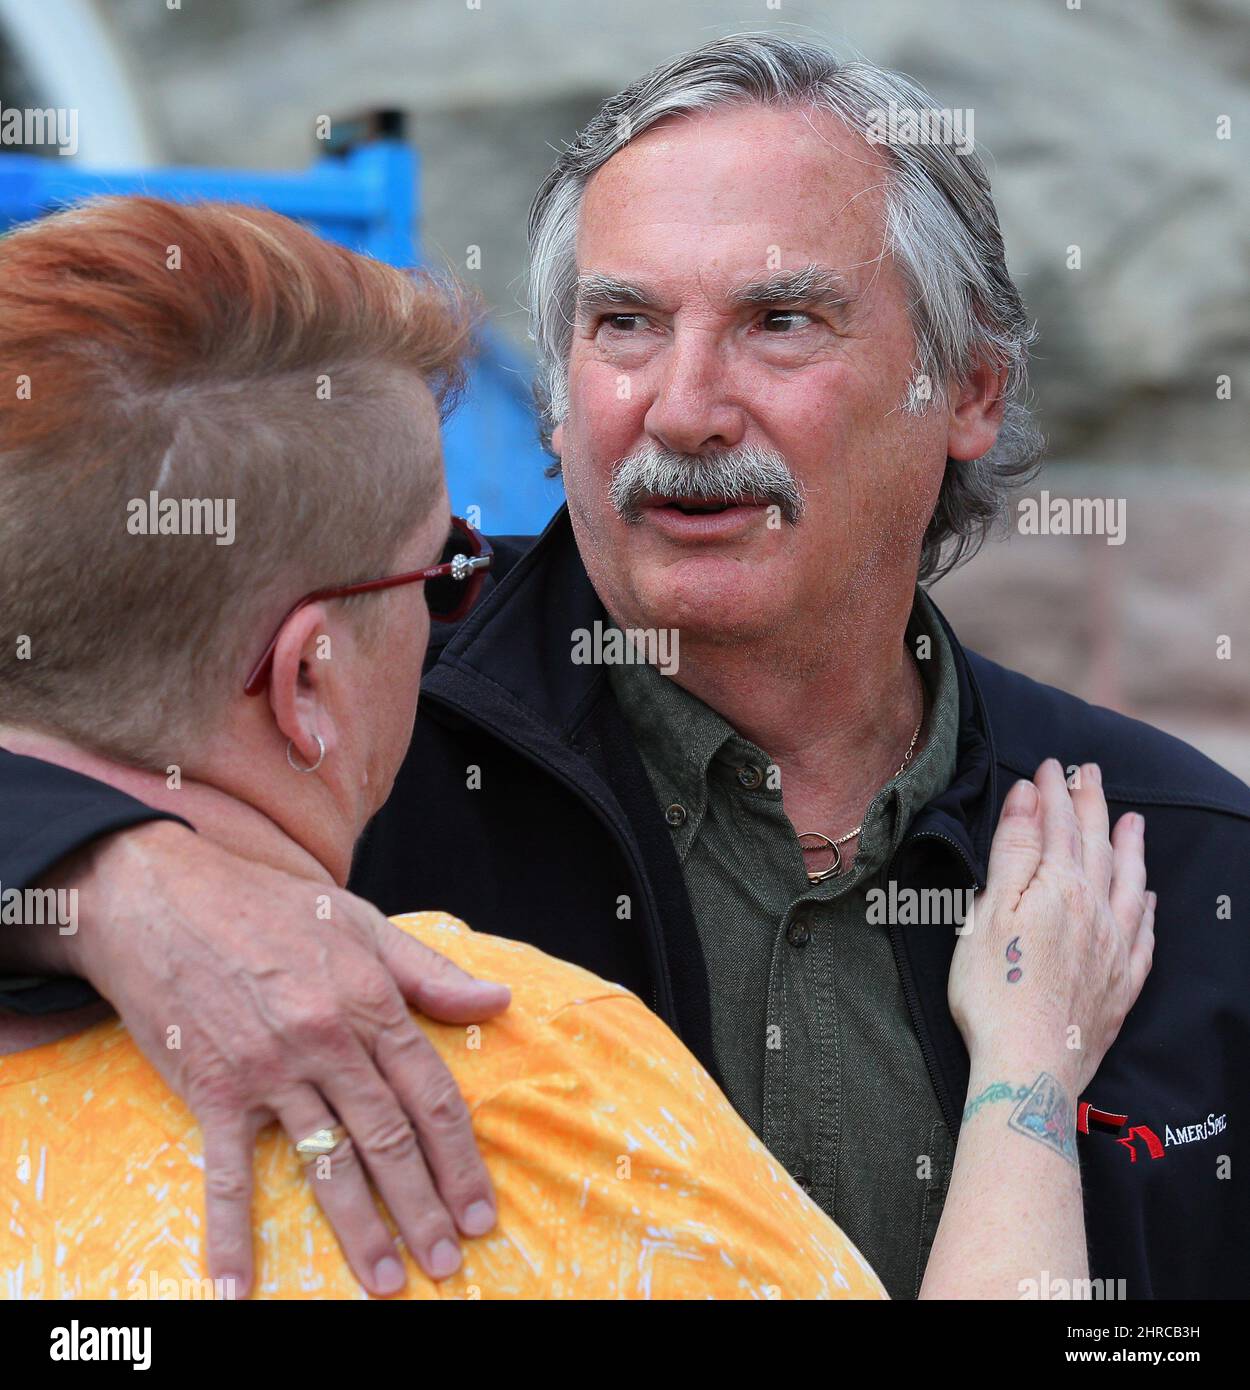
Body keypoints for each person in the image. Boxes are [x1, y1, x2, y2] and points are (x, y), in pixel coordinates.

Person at [3, 35, 1241, 1298]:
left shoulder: (1184, 854)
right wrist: (111, 879)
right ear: (551, 395)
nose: (682, 407)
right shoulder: (338, 730)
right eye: (624, 324)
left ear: (967, 388)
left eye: (779, 321)